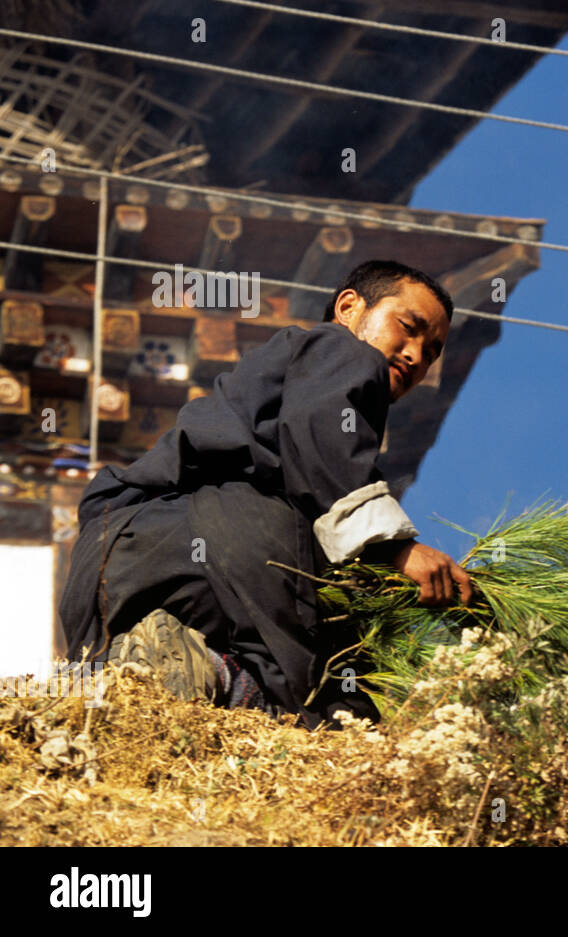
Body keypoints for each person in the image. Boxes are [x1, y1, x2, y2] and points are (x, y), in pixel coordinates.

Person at [58, 259, 475, 729]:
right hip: (197, 540)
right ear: (349, 306)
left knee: (330, 708)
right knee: (336, 708)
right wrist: (395, 548)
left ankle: (208, 674)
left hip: (128, 569)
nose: (417, 355)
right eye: (408, 327)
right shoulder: (338, 348)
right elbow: (321, 438)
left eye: (432, 351)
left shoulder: (314, 400)